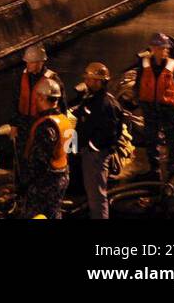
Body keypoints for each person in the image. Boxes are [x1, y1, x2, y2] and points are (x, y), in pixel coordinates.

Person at [131, 32, 174, 181]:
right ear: (152, 48)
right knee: (151, 139)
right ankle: (154, 170)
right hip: (150, 109)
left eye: (164, 48)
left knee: (173, 138)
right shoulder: (144, 66)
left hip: (168, 110)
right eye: (158, 47)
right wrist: (141, 102)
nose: (162, 51)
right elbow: (138, 84)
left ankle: (173, 168)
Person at [16, 77, 74, 219]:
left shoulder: (46, 126)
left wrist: (25, 182)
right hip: (62, 175)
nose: (35, 99)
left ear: (41, 97)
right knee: (54, 213)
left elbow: (39, 161)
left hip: (45, 182)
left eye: (36, 96)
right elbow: (72, 149)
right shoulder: (65, 121)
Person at [71, 62, 122, 220]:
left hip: (96, 156)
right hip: (89, 152)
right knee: (92, 191)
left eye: (92, 79)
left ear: (101, 81)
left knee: (97, 195)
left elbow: (111, 133)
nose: (87, 82)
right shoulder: (91, 99)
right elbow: (83, 117)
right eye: (87, 79)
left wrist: (92, 147)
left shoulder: (106, 104)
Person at [11, 44, 65, 146]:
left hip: (43, 127)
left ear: (41, 62)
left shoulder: (53, 80)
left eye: (31, 63)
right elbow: (15, 101)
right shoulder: (22, 78)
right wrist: (14, 125)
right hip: (24, 125)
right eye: (27, 62)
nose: (28, 65)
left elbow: (61, 106)